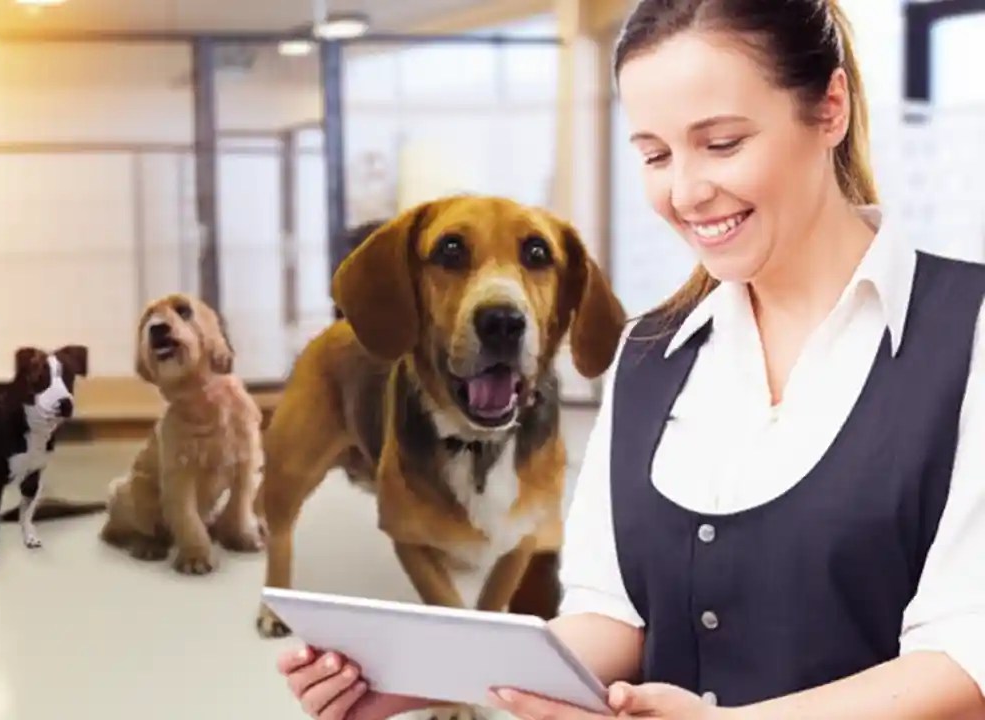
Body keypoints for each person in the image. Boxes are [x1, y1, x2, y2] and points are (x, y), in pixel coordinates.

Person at [273, 0, 985, 718]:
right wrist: (417, 678)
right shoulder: (650, 354)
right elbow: (614, 613)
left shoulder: (969, 331)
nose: (685, 192)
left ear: (830, 108)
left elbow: (966, 653)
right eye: (655, 154)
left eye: (723, 142)